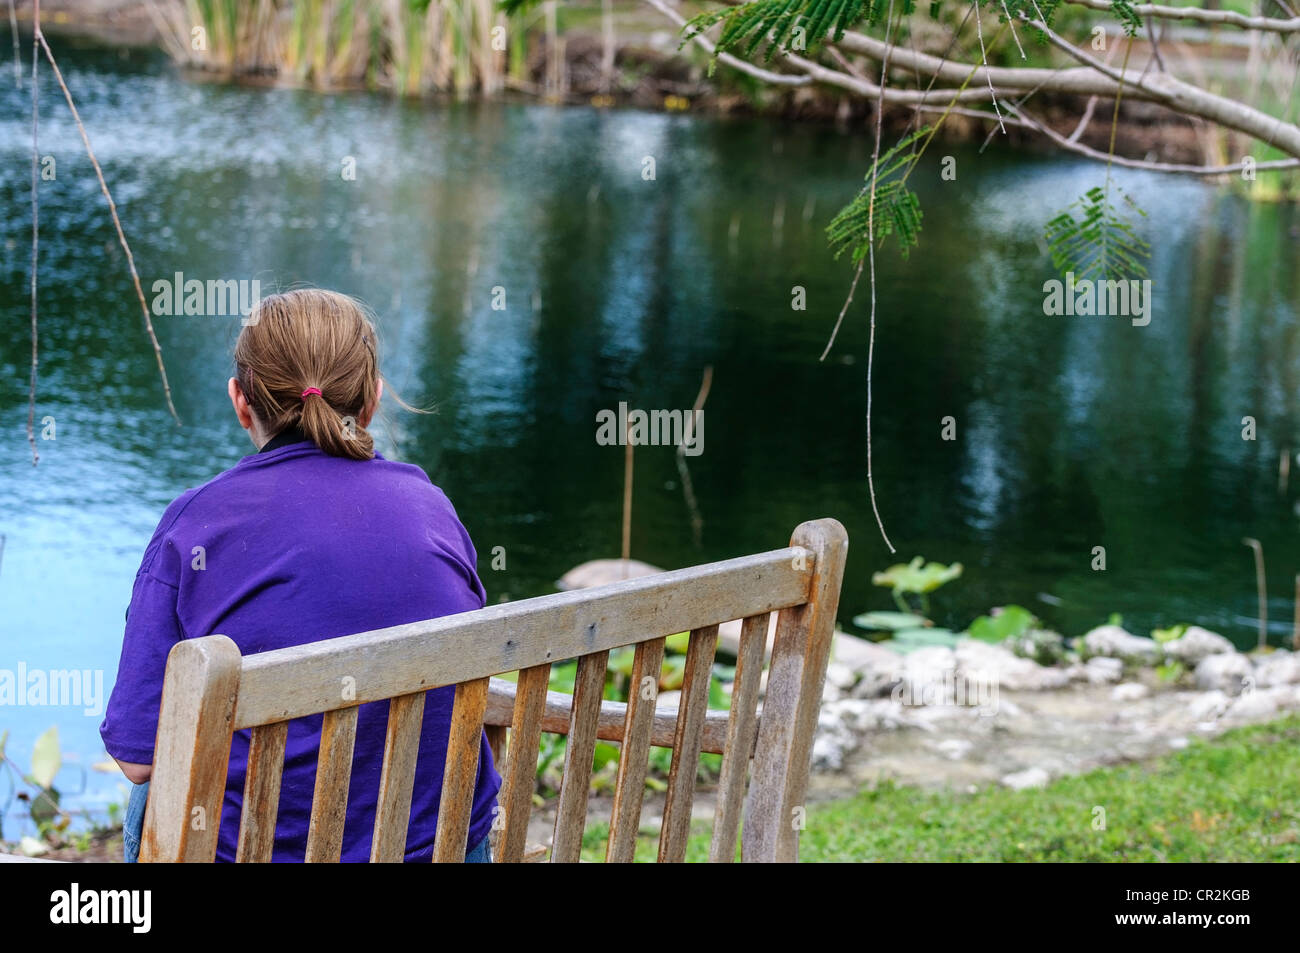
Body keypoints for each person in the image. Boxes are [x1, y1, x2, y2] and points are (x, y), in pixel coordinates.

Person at [100, 288, 500, 862]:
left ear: (241, 402)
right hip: (434, 850)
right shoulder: (429, 506)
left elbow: (137, 755)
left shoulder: (196, 524)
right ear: (373, 399)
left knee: (151, 794)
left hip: (256, 853)